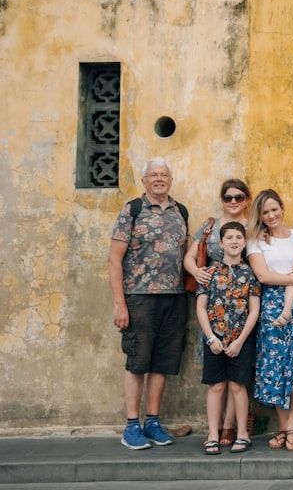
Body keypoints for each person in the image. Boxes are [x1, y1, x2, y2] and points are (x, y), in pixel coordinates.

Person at [107, 157, 189, 451]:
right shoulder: (133, 210)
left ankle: (152, 421)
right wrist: (120, 303)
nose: (159, 178)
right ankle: (131, 425)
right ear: (144, 181)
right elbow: (114, 259)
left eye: (164, 175)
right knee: (138, 362)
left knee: (163, 363)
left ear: (170, 179)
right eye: (153, 175)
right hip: (139, 298)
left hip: (175, 297)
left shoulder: (180, 211)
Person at [246, 189, 293, 451]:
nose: (271, 215)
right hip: (272, 305)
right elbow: (264, 276)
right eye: (265, 212)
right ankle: (284, 427)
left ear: (282, 207)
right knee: (275, 364)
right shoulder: (256, 241)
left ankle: (291, 426)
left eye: (274, 209)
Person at [184, 178, 251, 447]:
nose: (233, 201)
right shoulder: (210, 227)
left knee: (237, 377)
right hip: (213, 295)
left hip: (243, 296)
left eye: (238, 196)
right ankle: (215, 429)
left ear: (247, 198)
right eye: (228, 197)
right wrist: (197, 272)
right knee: (216, 371)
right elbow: (189, 257)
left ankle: (229, 426)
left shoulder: (254, 226)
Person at [195, 221, 260, 455]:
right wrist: (211, 337)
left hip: (239, 340)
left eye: (238, 237)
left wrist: (240, 341)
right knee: (216, 386)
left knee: (237, 386)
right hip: (215, 339)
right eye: (229, 237)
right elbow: (201, 307)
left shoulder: (250, 274)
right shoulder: (209, 273)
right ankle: (213, 435)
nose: (234, 241)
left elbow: (254, 310)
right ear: (221, 242)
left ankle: (242, 434)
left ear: (244, 242)